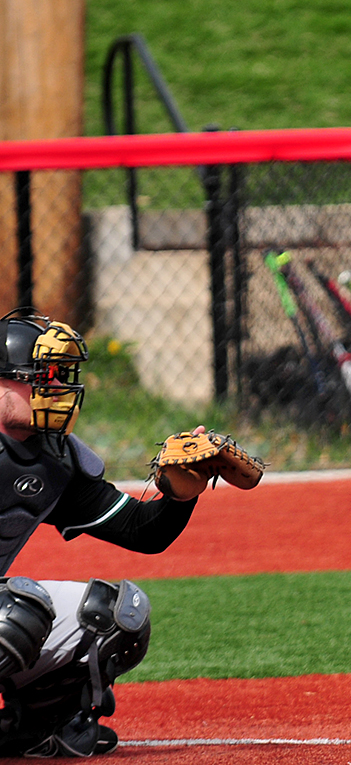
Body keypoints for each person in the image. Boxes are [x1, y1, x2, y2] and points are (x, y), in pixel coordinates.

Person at [0, 309, 209, 756]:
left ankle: (32, 731)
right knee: (13, 617)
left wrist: (181, 496)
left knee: (113, 615)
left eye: (61, 377)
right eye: (41, 377)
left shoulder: (54, 461)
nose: (56, 389)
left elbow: (141, 531)